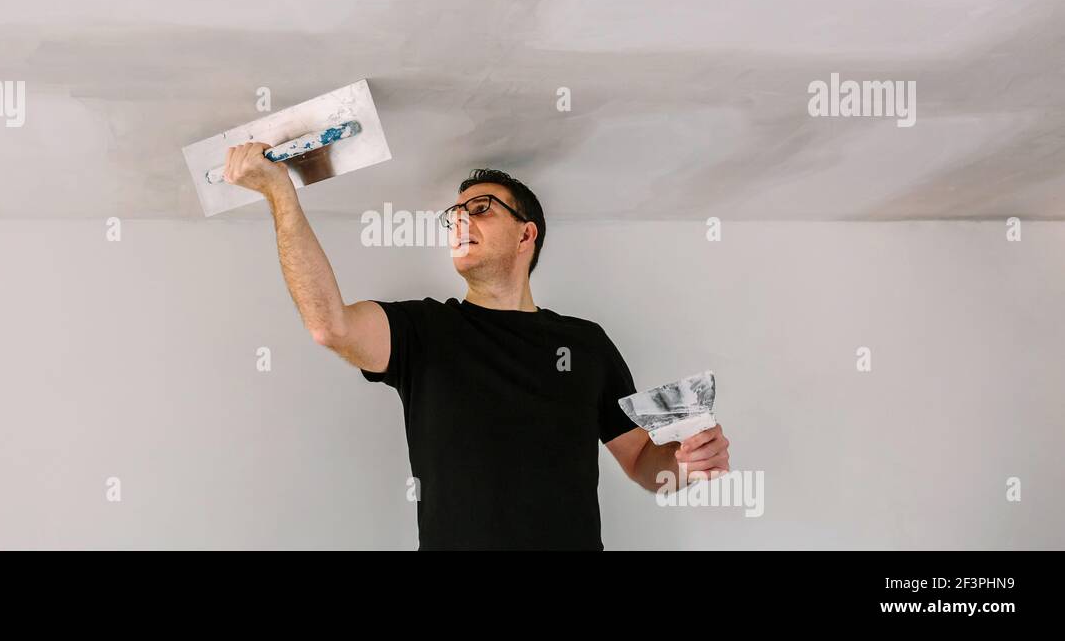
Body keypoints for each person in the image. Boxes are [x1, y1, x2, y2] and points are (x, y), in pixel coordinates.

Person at [222, 143, 731, 550]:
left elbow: (643, 461)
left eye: (481, 209)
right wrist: (280, 195)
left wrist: (686, 463)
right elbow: (329, 326)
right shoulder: (423, 331)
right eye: (455, 214)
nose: (461, 219)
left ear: (525, 233)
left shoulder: (585, 344)